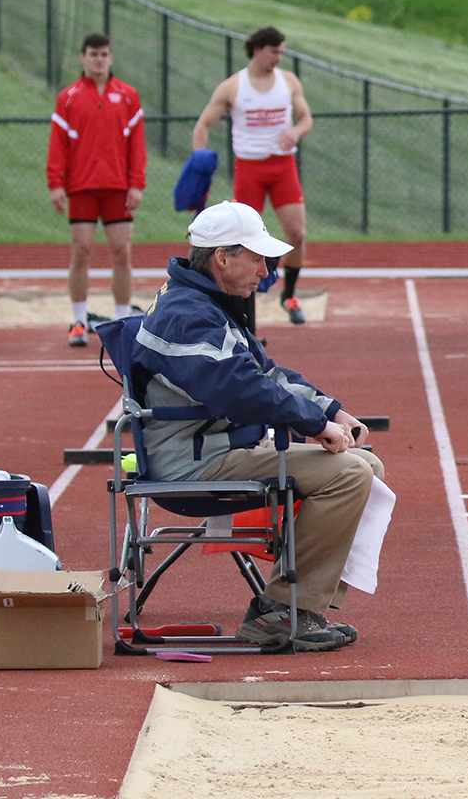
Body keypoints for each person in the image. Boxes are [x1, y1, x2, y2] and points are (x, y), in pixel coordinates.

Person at [132, 201, 382, 651]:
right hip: (192, 465)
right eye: (258, 258)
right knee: (350, 472)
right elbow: (239, 390)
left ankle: (303, 609)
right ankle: (281, 613)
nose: (266, 271)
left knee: (365, 463)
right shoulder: (186, 313)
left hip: (214, 450)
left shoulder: (207, 302)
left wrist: (331, 410)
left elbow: (266, 375)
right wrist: (313, 423)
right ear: (222, 258)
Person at [192, 26, 314, 327]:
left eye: (281, 52)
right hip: (250, 169)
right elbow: (202, 126)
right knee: (242, 240)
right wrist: (200, 161)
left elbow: (306, 118)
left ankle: (289, 293)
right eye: (274, 52)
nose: (278, 58)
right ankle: (241, 302)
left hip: (283, 166)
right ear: (258, 50)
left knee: (297, 233)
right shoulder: (233, 87)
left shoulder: (288, 82)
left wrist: (295, 131)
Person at [47, 33, 147, 348]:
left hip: (118, 186)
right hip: (82, 187)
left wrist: (136, 183)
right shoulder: (69, 97)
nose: (98, 60)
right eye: (93, 54)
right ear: (83, 57)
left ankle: (122, 318)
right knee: (81, 251)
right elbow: (58, 144)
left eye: (104, 54)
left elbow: (137, 145)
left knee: (122, 251)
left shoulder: (128, 96)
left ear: (111, 57)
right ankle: (79, 320)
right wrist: (55, 183)